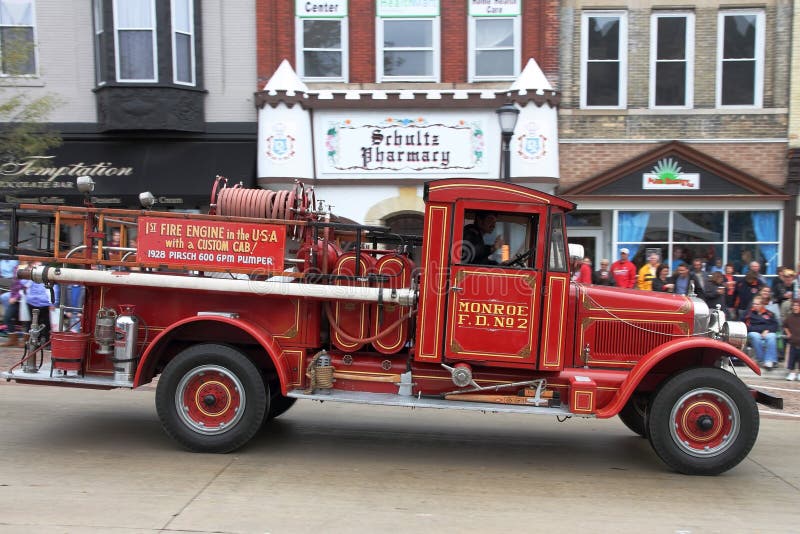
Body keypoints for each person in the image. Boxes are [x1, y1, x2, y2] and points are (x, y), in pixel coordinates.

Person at [745, 295, 780, 369]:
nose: (755, 306)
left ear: (762, 305)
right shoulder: (748, 313)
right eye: (754, 304)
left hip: (767, 333)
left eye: (757, 304)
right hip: (753, 332)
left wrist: (767, 330)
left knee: (772, 336)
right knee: (755, 336)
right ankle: (761, 359)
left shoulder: (769, 313)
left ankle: (769, 361)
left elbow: (775, 325)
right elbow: (745, 325)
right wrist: (761, 330)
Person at [1, 263, 24, 347]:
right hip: (15, 298)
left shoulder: (30, 268)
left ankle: (25, 341)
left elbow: (25, 285)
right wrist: (13, 296)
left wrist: (16, 296)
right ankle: (13, 340)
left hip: (25, 299)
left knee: (27, 321)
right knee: (7, 317)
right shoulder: (17, 267)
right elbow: (15, 284)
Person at [783, 300, 800, 381]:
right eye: (794, 305)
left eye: (797, 305)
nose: (795, 307)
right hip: (793, 342)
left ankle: (799, 374)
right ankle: (792, 373)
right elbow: (785, 325)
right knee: (792, 359)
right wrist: (788, 333)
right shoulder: (790, 317)